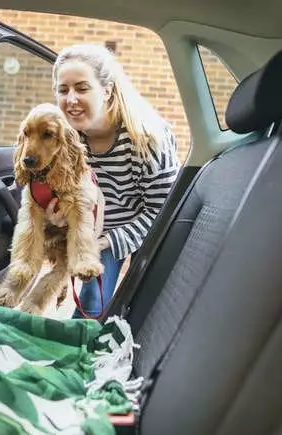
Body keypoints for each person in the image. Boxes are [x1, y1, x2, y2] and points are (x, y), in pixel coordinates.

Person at [48, 43, 180, 319]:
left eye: (82, 88)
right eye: (63, 90)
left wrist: (110, 240)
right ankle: (83, 350)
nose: (70, 99)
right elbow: (68, 192)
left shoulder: (146, 139)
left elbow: (163, 212)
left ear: (106, 90)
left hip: (147, 225)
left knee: (144, 299)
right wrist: (60, 216)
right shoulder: (67, 139)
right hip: (99, 228)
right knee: (92, 301)